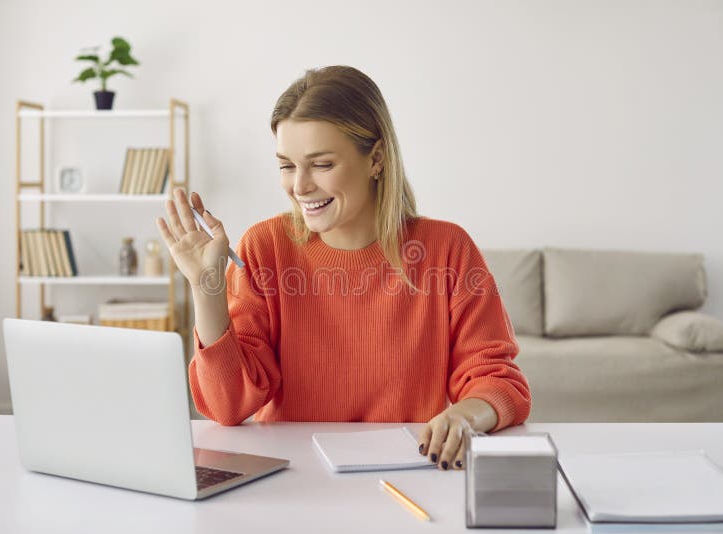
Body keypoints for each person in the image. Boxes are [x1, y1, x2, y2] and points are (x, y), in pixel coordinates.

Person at [156, 65, 531, 471]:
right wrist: (205, 288)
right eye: (286, 165)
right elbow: (226, 408)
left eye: (321, 165)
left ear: (376, 158)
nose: (299, 186)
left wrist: (465, 416)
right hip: (294, 477)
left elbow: (498, 381)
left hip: (408, 473)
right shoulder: (265, 248)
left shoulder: (447, 249)